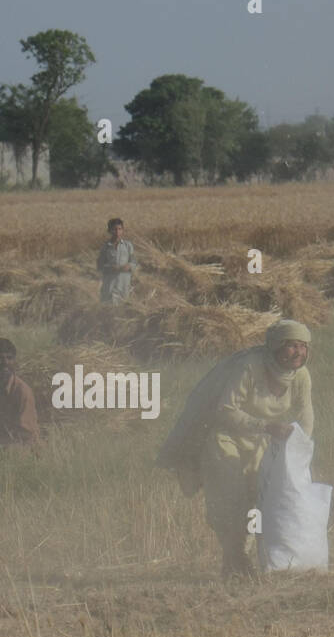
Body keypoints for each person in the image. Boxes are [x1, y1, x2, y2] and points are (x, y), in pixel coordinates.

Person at [156, 320, 314, 579]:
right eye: (291, 346)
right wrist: (265, 425)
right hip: (225, 437)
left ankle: (242, 560)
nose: (298, 353)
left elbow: (305, 415)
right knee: (229, 500)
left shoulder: (301, 377)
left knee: (257, 498)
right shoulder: (250, 367)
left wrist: (301, 448)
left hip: (261, 440)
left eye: (303, 347)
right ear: (275, 347)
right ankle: (234, 558)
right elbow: (226, 411)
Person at [97, 217, 139, 304]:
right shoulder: (105, 247)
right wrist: (110, 267)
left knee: (123, 308)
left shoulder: (128, 246)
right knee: (108, 308)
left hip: (124, 283)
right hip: (109, 284)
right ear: (109, 231)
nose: (117, 232)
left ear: (123, 230)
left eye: (119, 229)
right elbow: (100, 265)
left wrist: (129, 265)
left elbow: (134, 261)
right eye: (114, 229)